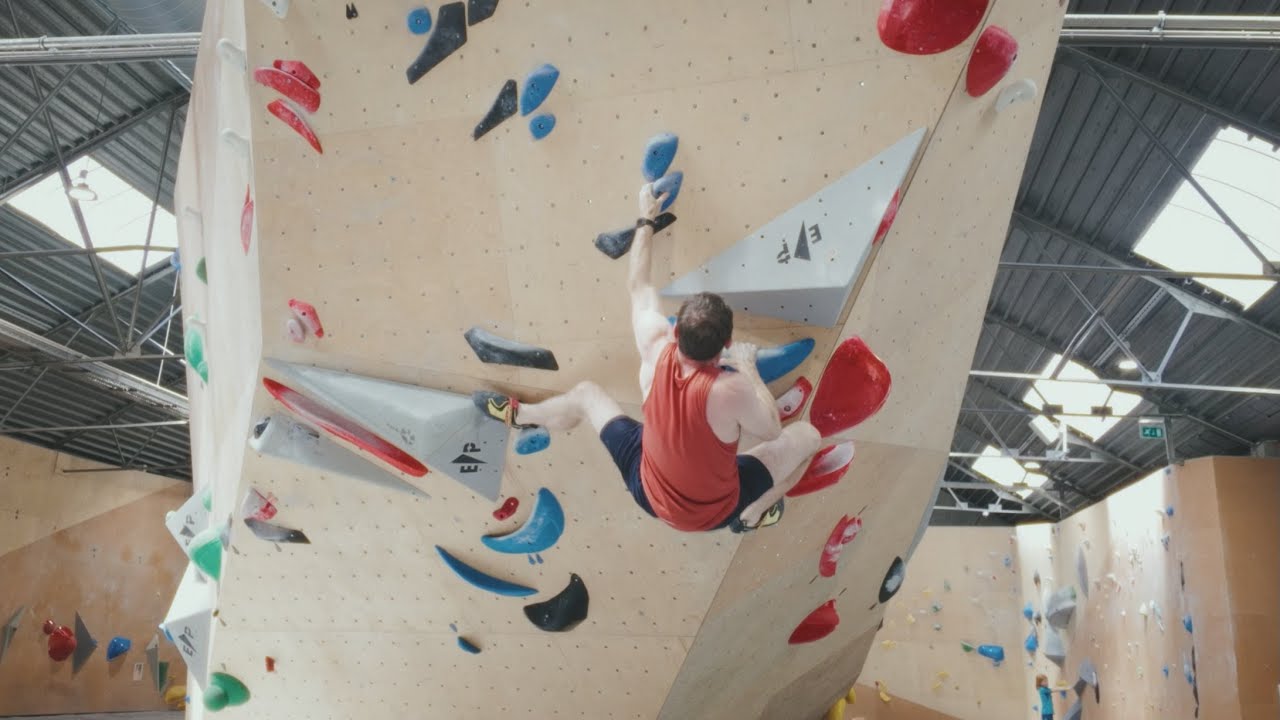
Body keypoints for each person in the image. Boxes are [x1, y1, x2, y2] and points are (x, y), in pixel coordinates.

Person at [475, 183, 822, 532]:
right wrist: (748, 367)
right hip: (712, 513)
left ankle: (523, 415)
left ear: (675, 332)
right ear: (727, 342)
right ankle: (751, 515)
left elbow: (638, 286)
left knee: (585, 396)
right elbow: (773, 430)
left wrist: (646, 218)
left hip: (648, 488)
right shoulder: (732, 388)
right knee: (808, 437)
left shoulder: (656, 345)